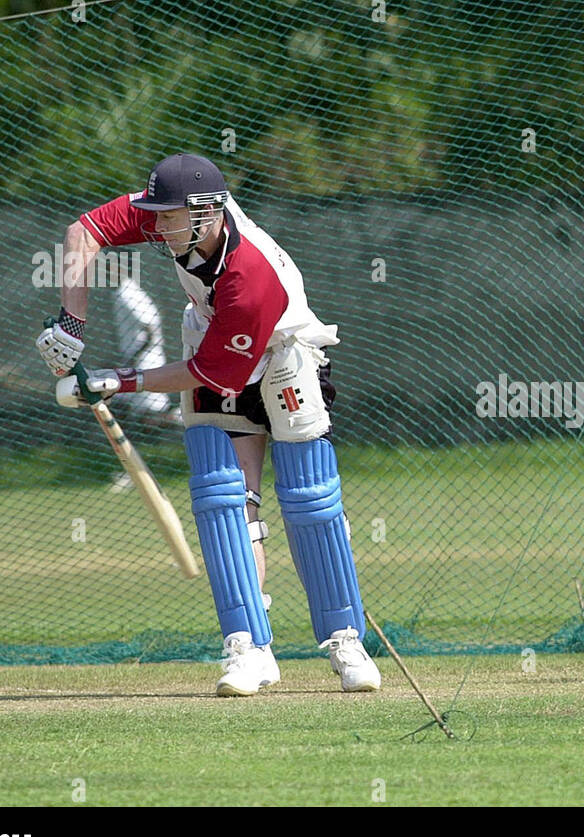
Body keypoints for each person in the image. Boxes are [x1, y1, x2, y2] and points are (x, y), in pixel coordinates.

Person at [36, 152, 381, 696]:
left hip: (283, 350)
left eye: (170, 216)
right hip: (209, 335)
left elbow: (208, 372)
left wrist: (115, 381)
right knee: (225, 499)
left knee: (308, 497)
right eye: (158, 214)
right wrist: (71, 321)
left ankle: (345, 640)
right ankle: (249, 647)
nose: (159, 225)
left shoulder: (250, 276)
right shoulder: (179, 216)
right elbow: (82, 232)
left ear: (207, 211)